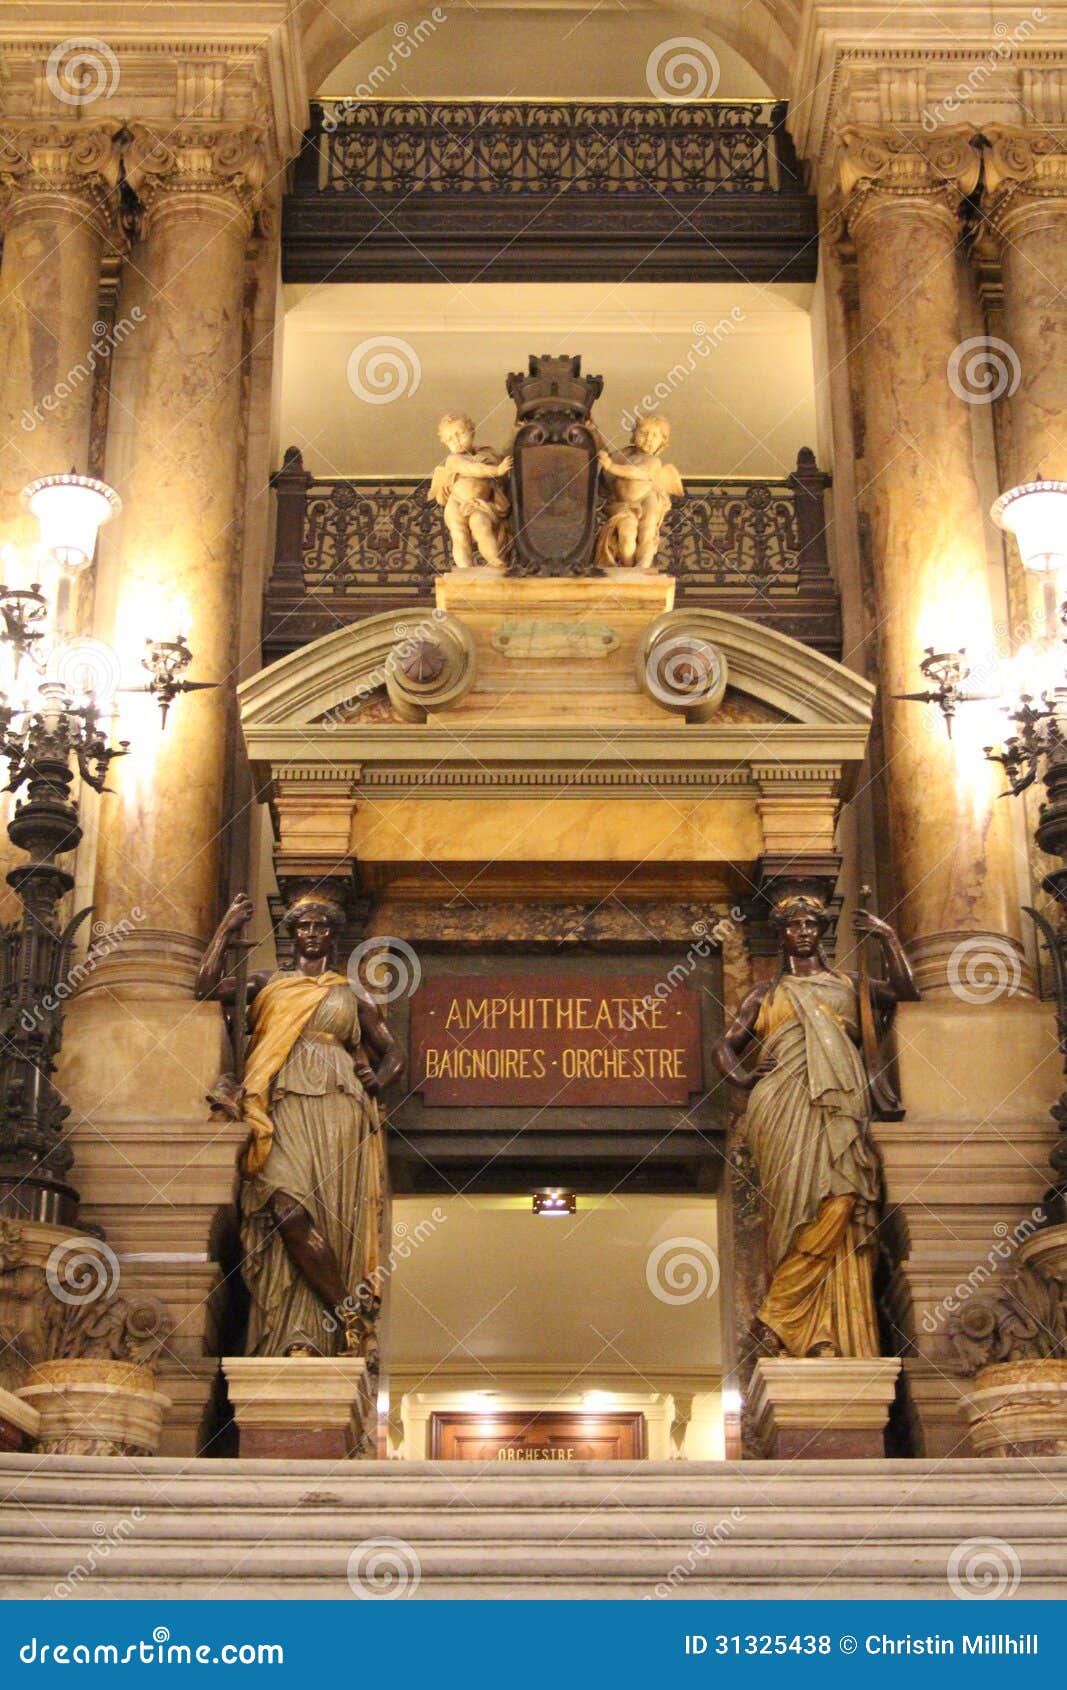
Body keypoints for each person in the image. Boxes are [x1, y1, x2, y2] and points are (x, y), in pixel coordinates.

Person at [196, 892, 403, 1359]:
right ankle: (351, 1312)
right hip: (281, 1100)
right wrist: (225, 929)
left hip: (339, 1106)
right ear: (292, 934)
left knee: (331, 1218)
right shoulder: (270, 982)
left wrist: (379, 1076)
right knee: (287, 1210)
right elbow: (205, 987)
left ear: (333, 936)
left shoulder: (351, 992)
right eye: (303, 927)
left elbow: (394, 1052)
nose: (311, 934)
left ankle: (321, 1333)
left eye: (320, 927)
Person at [711, 894, 919, 1358]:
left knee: (842, 1195)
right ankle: (790, 1319)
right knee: (792, 1207)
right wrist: (744, 1078)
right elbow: (725, 1046)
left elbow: (907, 993)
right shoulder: (765, 993)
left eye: (811, 924)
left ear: (820, 931)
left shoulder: (850, 983)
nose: (803, 932)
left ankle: (783, 1314)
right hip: (782, 1104)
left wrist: (887, 938)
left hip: (842, 1105)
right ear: (782, 934)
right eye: (794, 925)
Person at [595, 414, 683, 570]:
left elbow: (636, 472)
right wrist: (593, 432)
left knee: (646, 532)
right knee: (626, 533)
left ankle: (642, 567)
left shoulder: (653, 461)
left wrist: (611, 467)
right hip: (624, 505)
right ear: (633, 435)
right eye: (644, 433)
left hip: (647, 499)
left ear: (662, 444)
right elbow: (604, 455)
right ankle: (628, 568)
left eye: (654, 435)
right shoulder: (621, 456)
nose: (649, 438)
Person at [430, 412, 513, 571]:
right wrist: (497, 471)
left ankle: (494, 559)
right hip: (456, 504)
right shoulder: (453, 460)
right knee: (459, 535)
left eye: (459, 434)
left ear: (472, 432)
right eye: (450, 439)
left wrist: (517, 432)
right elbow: (472, 469)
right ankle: (464, 568)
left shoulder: (487, 455)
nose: (456, 441)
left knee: (481, 526)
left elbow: (506, 454)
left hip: (478, 505)